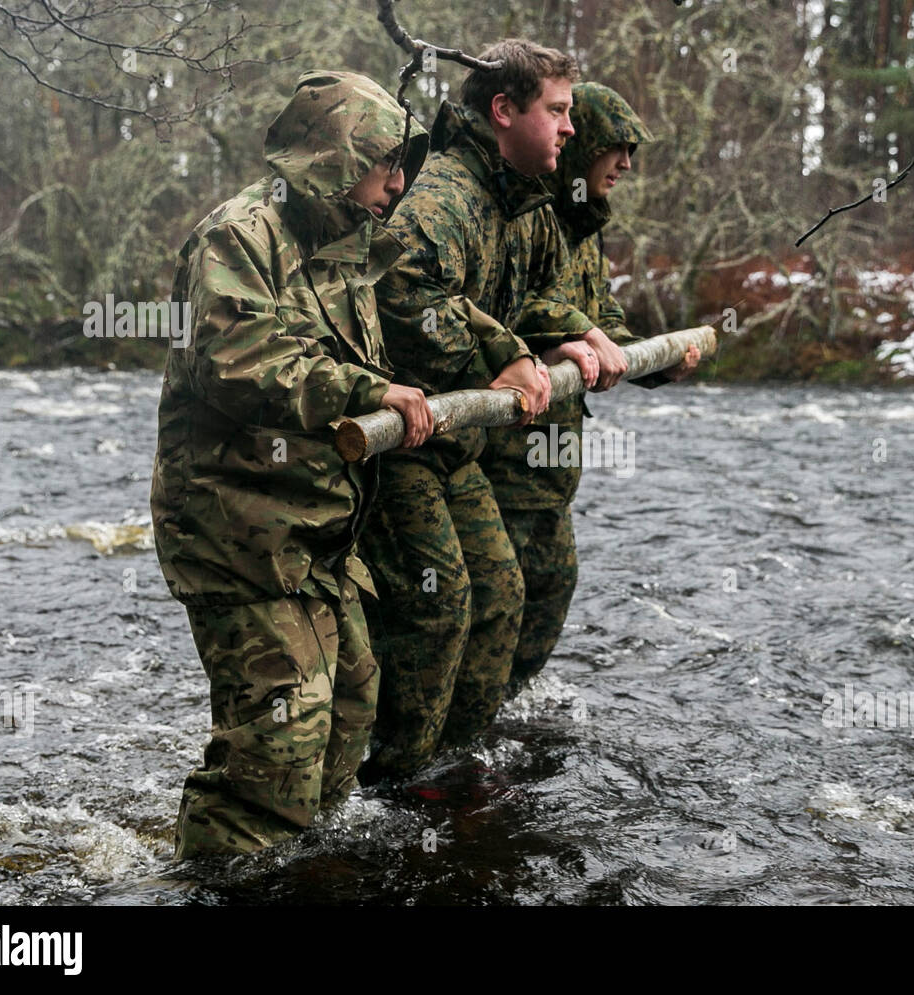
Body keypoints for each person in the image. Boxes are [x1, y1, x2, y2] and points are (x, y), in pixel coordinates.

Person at [150, 70, 433, 858]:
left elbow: (416, 319)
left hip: (315, 535)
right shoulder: (238, 236)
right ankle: (219, 878)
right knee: (274, 743)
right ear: (339, 159)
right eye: (387, 162)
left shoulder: (348, 249)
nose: (399, 183)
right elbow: (239, 358)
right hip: (236, 530)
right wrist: (366, 389)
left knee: (347, 709)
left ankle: (296, 869)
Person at [358, 40, 597, 784]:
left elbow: (524, 301)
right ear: (503, 110)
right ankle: (390, 783)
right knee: (439, 608)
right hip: (399, 445)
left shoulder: (511, 201)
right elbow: (403, 293)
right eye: (556, 111)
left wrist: (562, 339)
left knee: (499, 596)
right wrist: (497, 353)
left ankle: (446, 769)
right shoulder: (447, 195)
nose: (568, 129)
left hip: (454, 443)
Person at [484, 82, 700, 698]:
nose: (627, 165)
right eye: (619, 149)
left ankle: (496, 729)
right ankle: (448, 757)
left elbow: (602, 318)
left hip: (554, 465)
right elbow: (513, 308)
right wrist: (571, 332)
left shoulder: (586, 228)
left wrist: (652, 363)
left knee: (550, 593)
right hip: (505, 455)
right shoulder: (528, 213)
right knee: (489, 609)